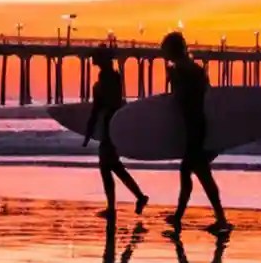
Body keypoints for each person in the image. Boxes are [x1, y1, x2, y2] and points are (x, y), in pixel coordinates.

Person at [161, 31, 230, 233]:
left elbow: (181, 98)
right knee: (199, 173)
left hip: (194, 126)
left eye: (165, 50)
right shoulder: (195, 69)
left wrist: (172, 79)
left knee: (194, 173)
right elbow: (206, 93)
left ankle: (215, 219)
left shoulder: (182, 71)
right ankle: (214, 218)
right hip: (199, 124)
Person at [83, 45, 148, 218]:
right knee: (114, 166)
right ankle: (138, 197)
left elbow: (100, 106)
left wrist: (89, 131)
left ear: (103, 59)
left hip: (110, 125)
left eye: (95, 56)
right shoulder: (113, 77)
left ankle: (113, 208)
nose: (92, 60)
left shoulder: (107, 78)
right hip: (114, 124)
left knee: (107, 167)